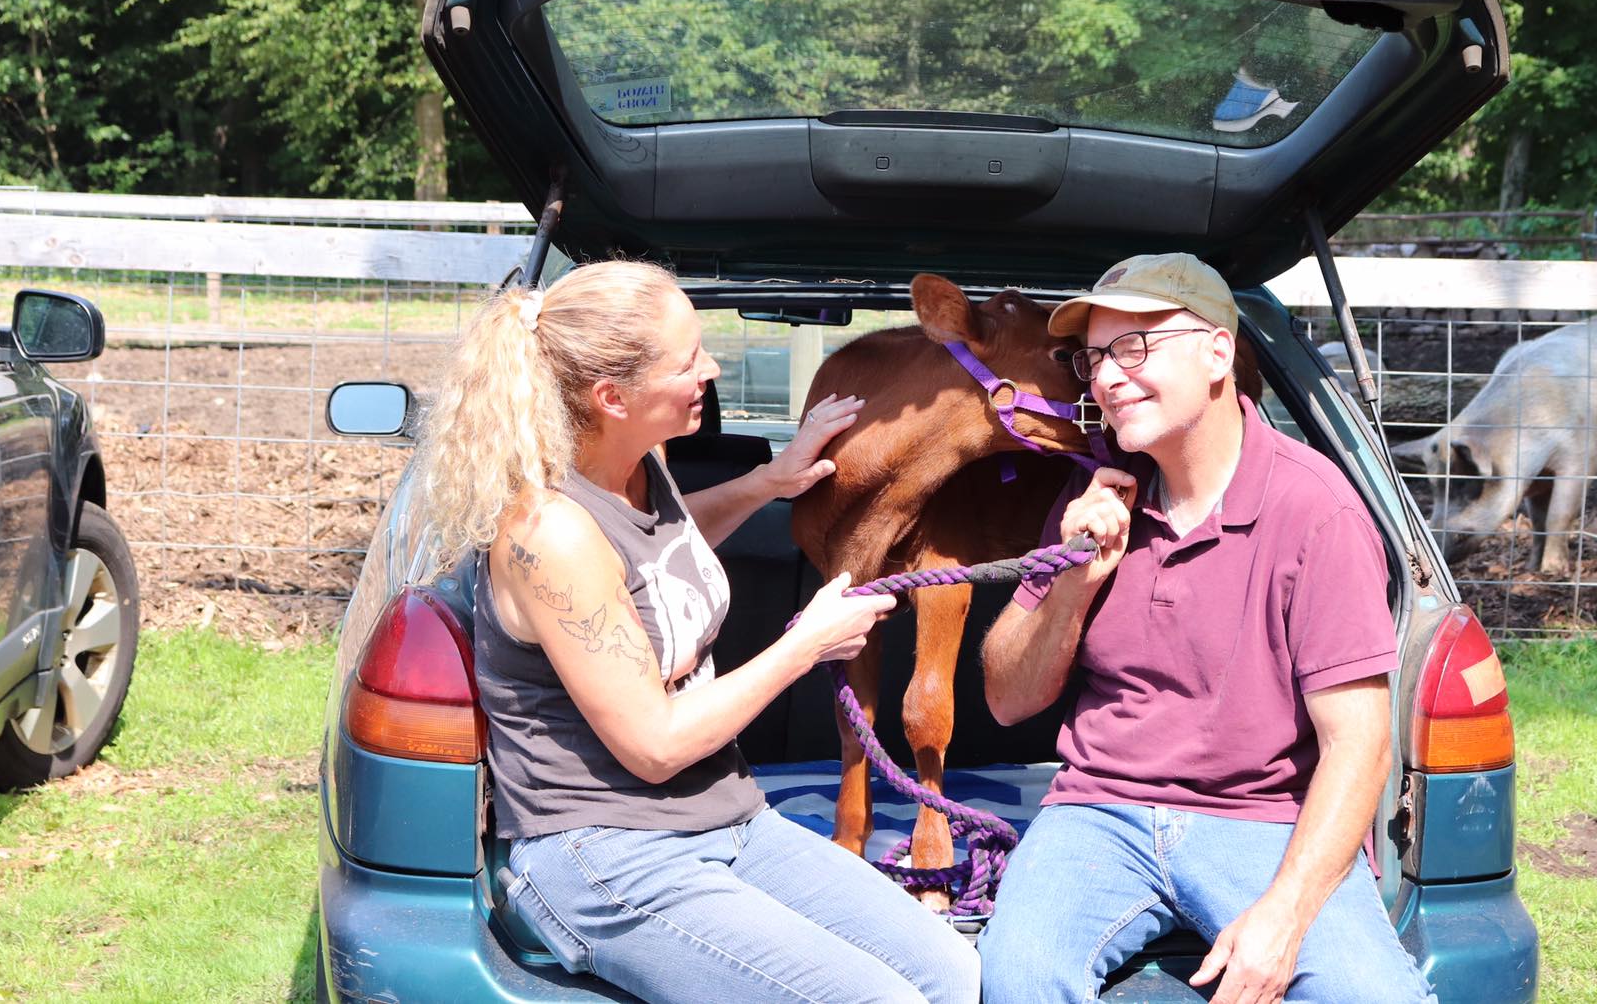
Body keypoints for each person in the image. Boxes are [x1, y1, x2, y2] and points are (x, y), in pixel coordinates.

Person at [417, 259, 979, 1004]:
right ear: (612, 397)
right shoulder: (549, 531)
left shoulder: (639, 465)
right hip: (607, 854)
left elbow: (659, 552)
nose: (710, 368)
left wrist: (767, 483)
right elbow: (656, 745)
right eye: (688, 362)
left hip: (728, 819)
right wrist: (803, 645)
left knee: (955, 973)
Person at [976, 253, 1436, 1004]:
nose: (1106, 378)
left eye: (1135, 347)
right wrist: (1074, 581)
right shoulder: (1092, 494)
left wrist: (1283, 916)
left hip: (1261, 821)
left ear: (1218, 351)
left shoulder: (1317, 512)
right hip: (1098, 812)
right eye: (1095, 357)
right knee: (1015, 977)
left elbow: (1361, 743)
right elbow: (1006, 699)